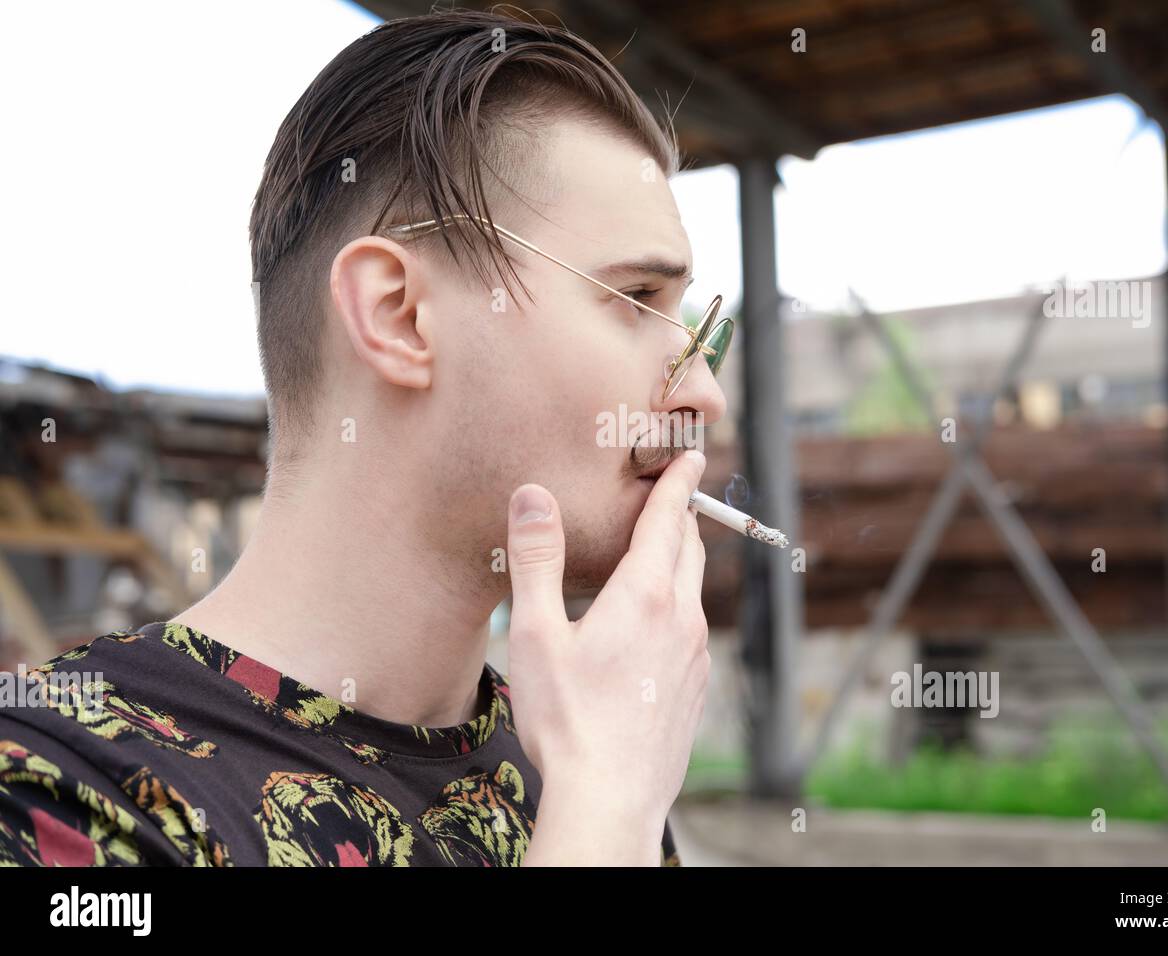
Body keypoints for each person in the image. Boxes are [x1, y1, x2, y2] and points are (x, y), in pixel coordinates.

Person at [0, 8, 728, 867]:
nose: (704, 396)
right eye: (639, 296)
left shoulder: (572, 761)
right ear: (397, 315)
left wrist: (608, 797)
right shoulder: (62, 790)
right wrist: (603, 814)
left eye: (698, 331)